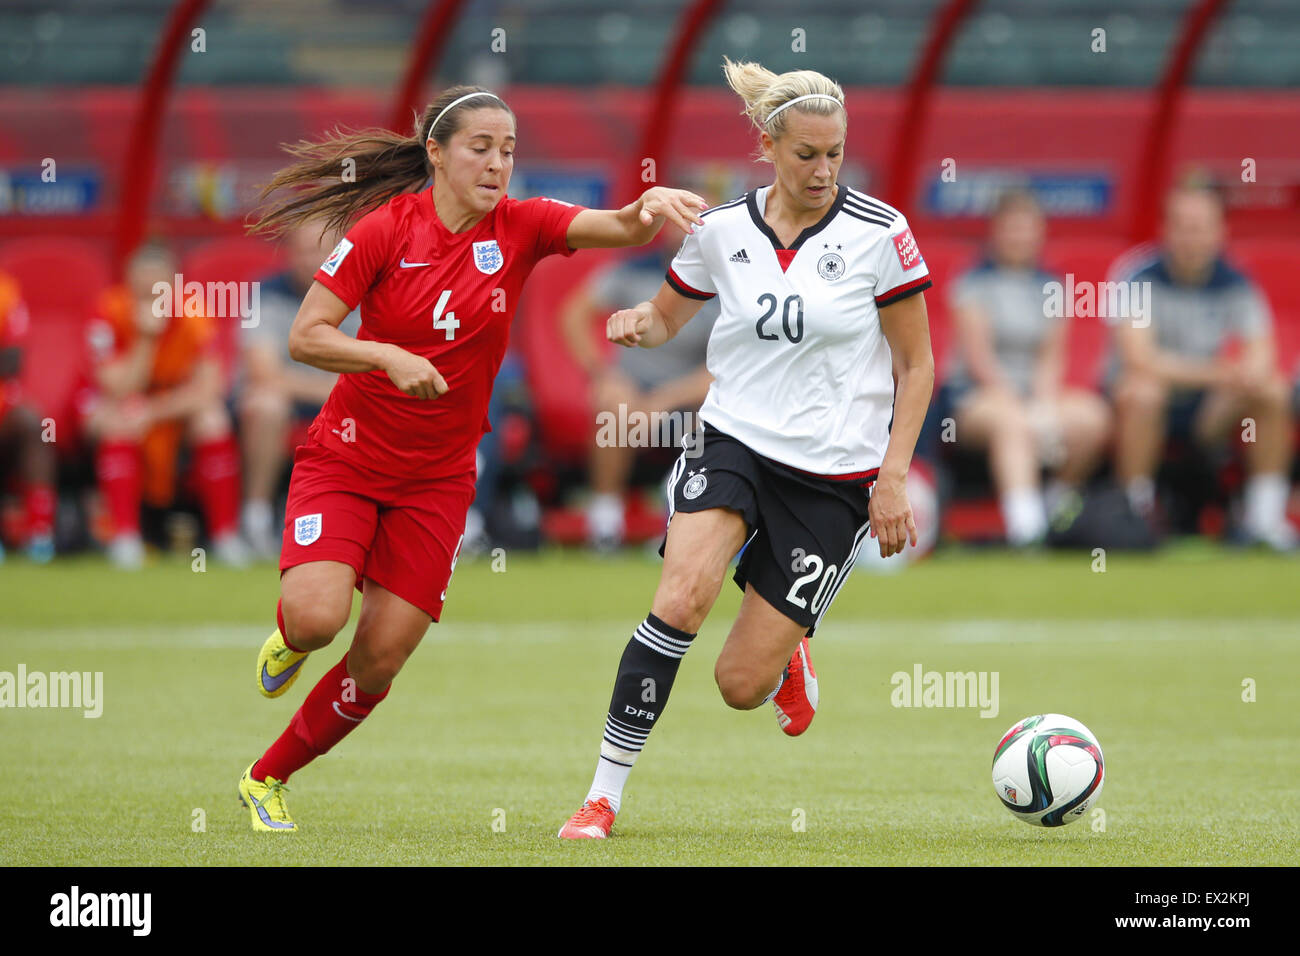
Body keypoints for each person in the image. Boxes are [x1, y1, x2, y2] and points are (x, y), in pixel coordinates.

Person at [236, 85, 707, 832]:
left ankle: (267, 779)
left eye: (509, 150)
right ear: (436, 152)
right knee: (319, 619)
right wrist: (385, 355)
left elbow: (614, 226)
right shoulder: (385, 229)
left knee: (381, 660)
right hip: (349, 460)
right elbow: (306, 336)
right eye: (480, 148)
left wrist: (645, 208)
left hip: (439, 480)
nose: (498, 164)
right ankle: (291, 635)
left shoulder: (522, 225)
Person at [558, 58, 934, 839]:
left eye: (834, 153)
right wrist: (639, 324)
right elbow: (668, 317)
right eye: (806, 155)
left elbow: (916, 363)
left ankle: (787, 648)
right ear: (769, 146)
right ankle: (601, 797)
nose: (823, 170)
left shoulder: (881, 233)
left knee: (738, 684)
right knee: (682, 595)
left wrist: (892, 477)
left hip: (833, 476)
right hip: (733, 441)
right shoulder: (721, 230)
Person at [1107, 183, 1295, 549]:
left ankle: (1265, 519)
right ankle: (1135, 514)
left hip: (1206, 410)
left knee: (1272, 390)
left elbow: (1262, 353)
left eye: (1201, 227)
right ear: (1165, 229)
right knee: (1145, 391)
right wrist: (1222, 372)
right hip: (1141, 405)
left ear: (1220, 232)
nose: (1192, 237)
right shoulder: (1137, 275)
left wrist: (1248, 373)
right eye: (1183, 226)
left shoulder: (1235, 282)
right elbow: (1141, 360)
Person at [936, 189, 1111, 546]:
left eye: (1027, 228)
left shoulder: (1052, 285)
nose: (1019, 237)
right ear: (995, 232)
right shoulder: (972, 282)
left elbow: (1050, 357)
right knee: (1012, 423)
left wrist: (1044, 405)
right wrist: (1022, 406)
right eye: (1011, 228)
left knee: (1093, 418)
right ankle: (1026, 530)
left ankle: (1055, 508)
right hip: (975, 397)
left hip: (1031, 394)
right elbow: (979, 359)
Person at [80, 242, 245, 569]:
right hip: (114, 400)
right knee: (120, 419)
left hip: (168, 405)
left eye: (158, 289)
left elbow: (210, 388)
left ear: (173, 283)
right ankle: (125, 539)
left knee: (213, 420)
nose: (150, 299)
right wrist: (145, 339)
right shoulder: (107, 310)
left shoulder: (194, 312)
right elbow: (118, 386)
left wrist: (153, 412)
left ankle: (226, 535)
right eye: (141, 290)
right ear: (128, 283)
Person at [558, 224, 718, 549]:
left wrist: (661, 402)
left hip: (689, 397)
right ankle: (605, 521)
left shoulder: (725, 282)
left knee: (715, 412)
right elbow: (573, 314)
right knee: (612, 405)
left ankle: (682, 518)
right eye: (681, 223)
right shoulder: (631, 270)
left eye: (702, 224)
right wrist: (602, 374)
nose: (689, 232)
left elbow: (722, 368)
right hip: (631, 388)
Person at [238, 224, 360, 558]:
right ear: (290, 253)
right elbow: (264, 375)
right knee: (266, 404)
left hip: (345, 402)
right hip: (292, 403)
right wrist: (338, 386)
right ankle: (255, 521)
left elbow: (380, 367)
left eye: (324, 250)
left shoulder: (364, 292)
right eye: (306, 250)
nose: (315, 260)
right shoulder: (265, 295)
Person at [0, 270, 56, 563]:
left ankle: (39, 534)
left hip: (4, 407)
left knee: (38, 423)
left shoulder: (5, 291)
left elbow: (12, 360)